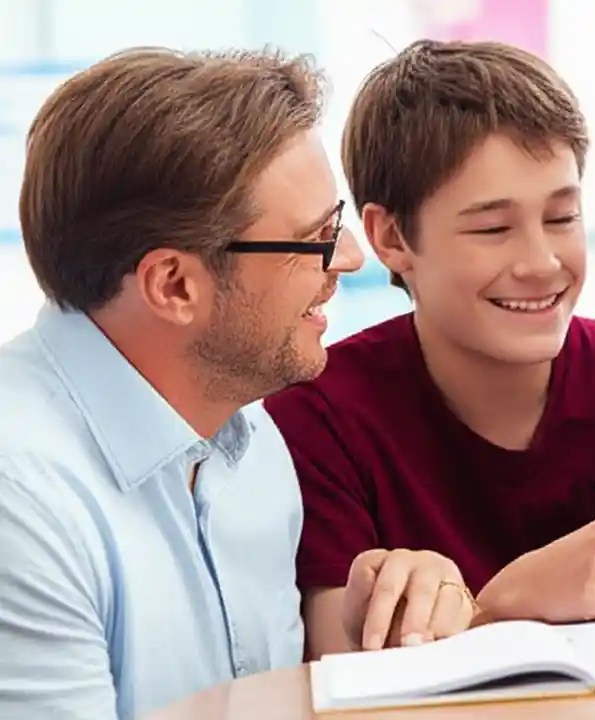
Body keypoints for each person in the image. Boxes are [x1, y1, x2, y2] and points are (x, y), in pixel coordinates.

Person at [0, 48, 474, 720]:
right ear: (174, 285)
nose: (350, 257)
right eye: (317, 237)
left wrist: (370, 645)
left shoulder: (249, 441)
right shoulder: (21, 503)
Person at [263, 39, 595, 657]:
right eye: (492, 228)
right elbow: (334, 653)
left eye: (562, 218)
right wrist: (506, 601)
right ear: (392, 237)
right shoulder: (317, 417)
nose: (541, 263)